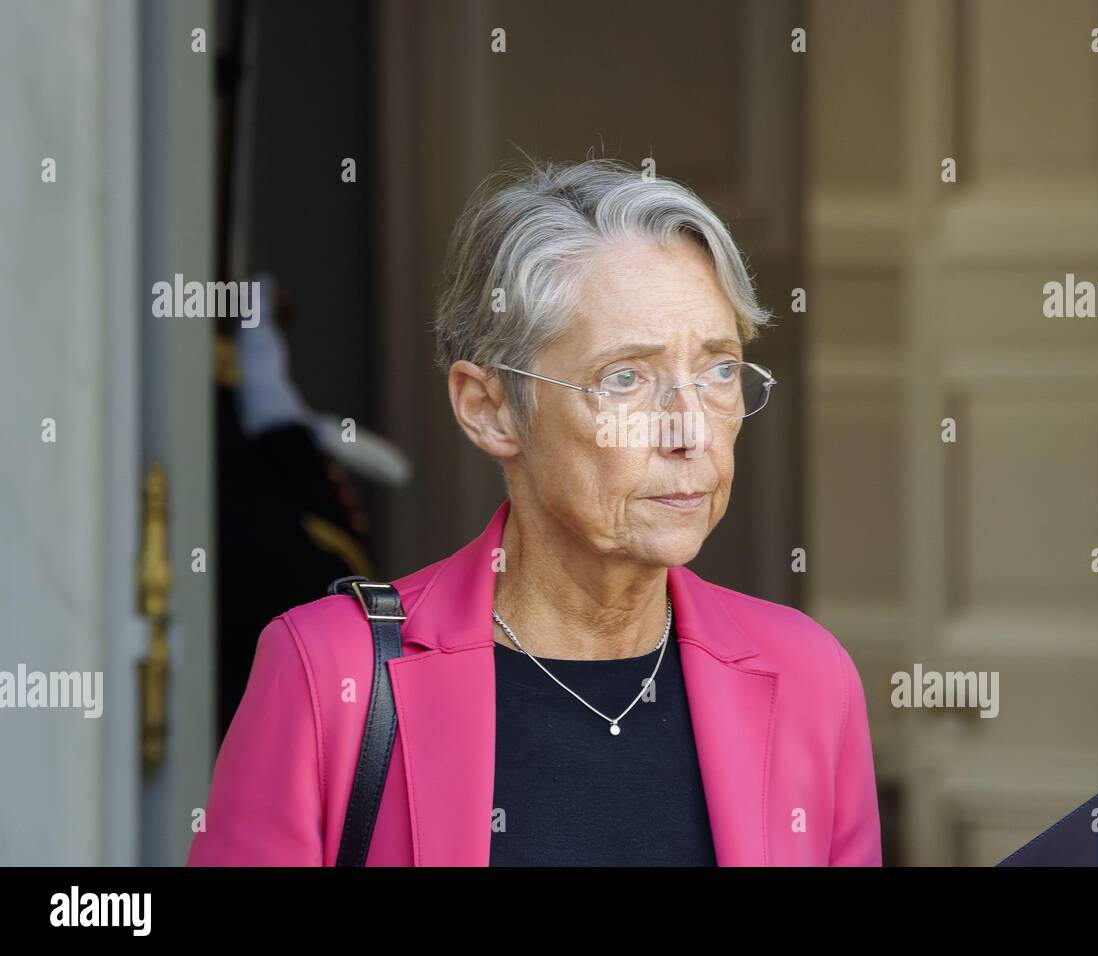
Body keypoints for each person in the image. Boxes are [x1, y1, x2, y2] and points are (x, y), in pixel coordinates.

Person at [187, 157, 882, 866]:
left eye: (720, 369)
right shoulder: (331, 672)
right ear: (489, 410)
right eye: (626, 379)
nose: (691, 430)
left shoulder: (807, 677)